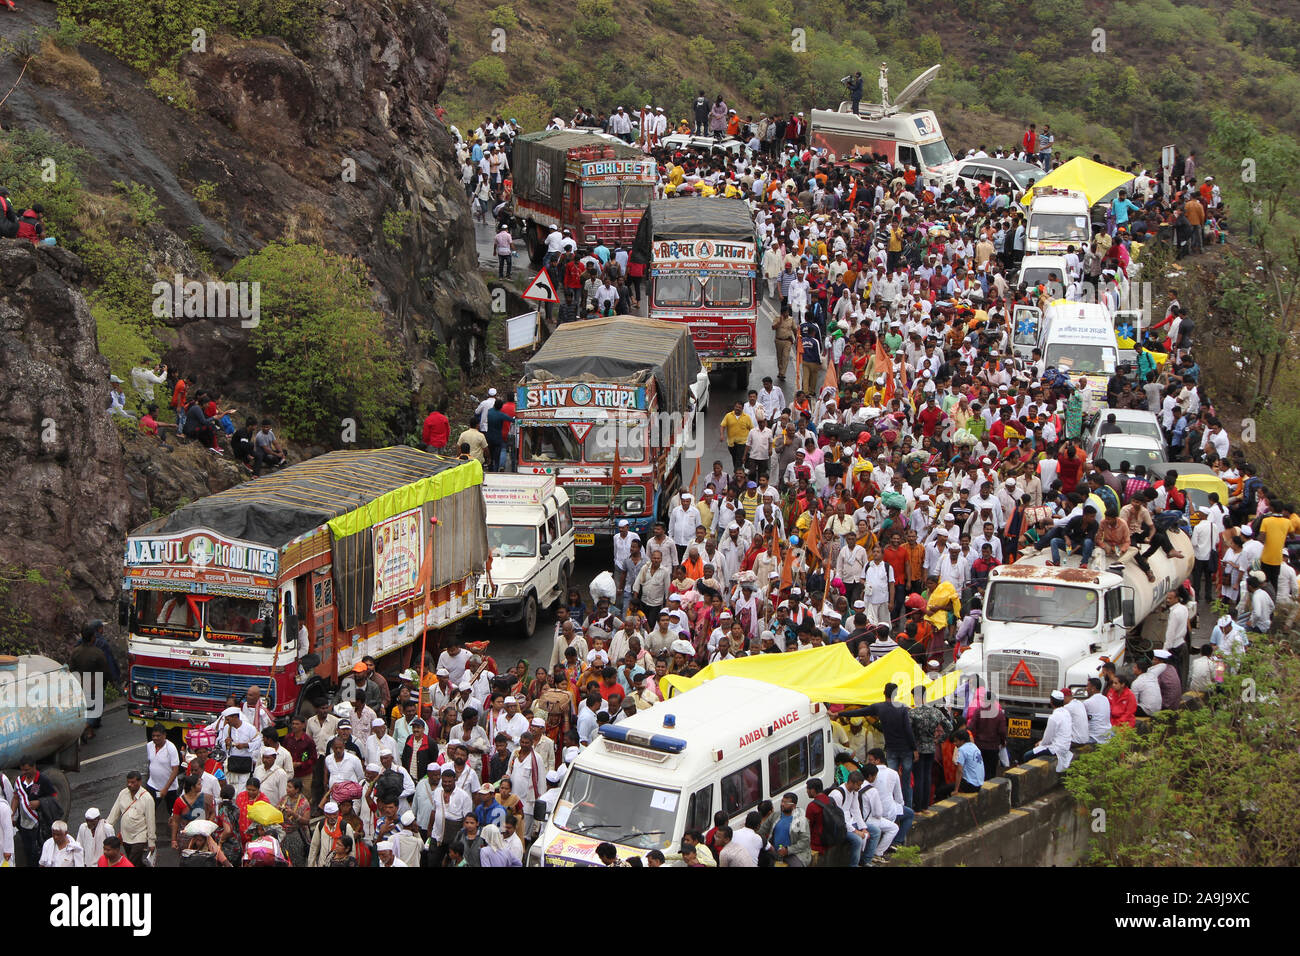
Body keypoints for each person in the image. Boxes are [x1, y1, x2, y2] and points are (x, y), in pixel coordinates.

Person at [105, 770, 156, 867]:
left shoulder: (147, 799)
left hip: (139, 838)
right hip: (125, 837)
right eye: (128, 782)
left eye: (133, 782)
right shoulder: (123, 793)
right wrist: (107, 825)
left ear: (140, 782)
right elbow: (114, 812)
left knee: (131, 863)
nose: (130, 785)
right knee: (137, 863)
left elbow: (151, 822)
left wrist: (151, 842)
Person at [1022, 690, 1074, 771]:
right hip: (1065, 746)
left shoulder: (1054, 717)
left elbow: (1047, 739)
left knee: (1027, 755)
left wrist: (1040, 743)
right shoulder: (1066, 713)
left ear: (1051, 702)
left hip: (1056, 749)